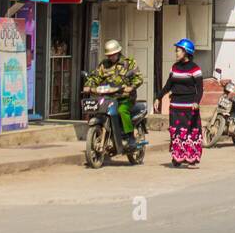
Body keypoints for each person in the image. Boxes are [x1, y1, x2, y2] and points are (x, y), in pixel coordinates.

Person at [84, 40, 145, 150]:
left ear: (118, 52)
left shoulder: (129, 63)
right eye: (109, 55)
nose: (111, 57)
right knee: (99, 111)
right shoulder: (104, 64)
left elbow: (138, 78)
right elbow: (95, 77)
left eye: (113, 54)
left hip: (125, 98)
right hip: (108, 98)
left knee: (122, 110)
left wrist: (130, 87)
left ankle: (130, 137)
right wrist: (88, 85)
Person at [154, 39, 205, 167]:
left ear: (186, 52)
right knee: (176, 132)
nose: (176, 53)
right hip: (176, 106)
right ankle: (177, 157)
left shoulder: (195, 69)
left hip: (190, 107)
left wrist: (196, 102)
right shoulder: (174, 68)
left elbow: (200, 89)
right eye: (176, 50)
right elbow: (168, 85)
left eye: (178, 50)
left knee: (190, 132)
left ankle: (191, 157)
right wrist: (158, 97)